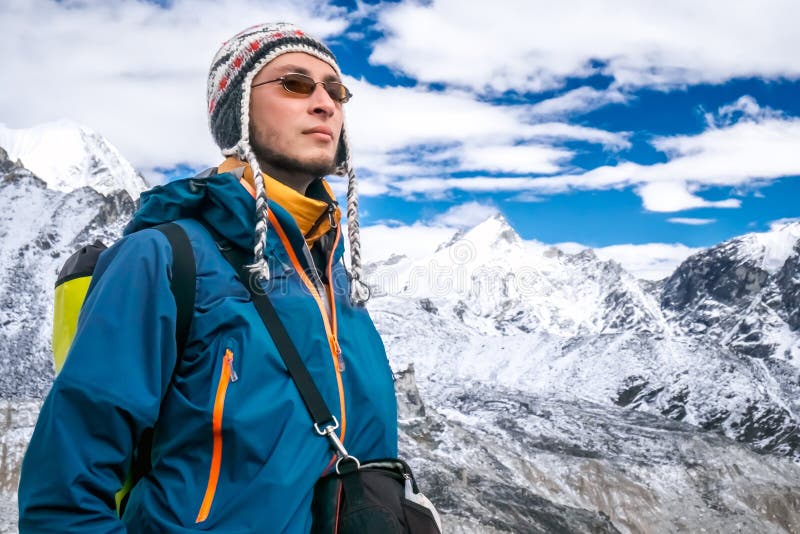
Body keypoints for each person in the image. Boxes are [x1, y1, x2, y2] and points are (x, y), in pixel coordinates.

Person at [18, 22, 398, 532]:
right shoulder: (162, 258)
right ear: (235, 110)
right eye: (294, 84)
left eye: (335, 90)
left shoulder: (337, 281)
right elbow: (64, 496)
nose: (325, 103)